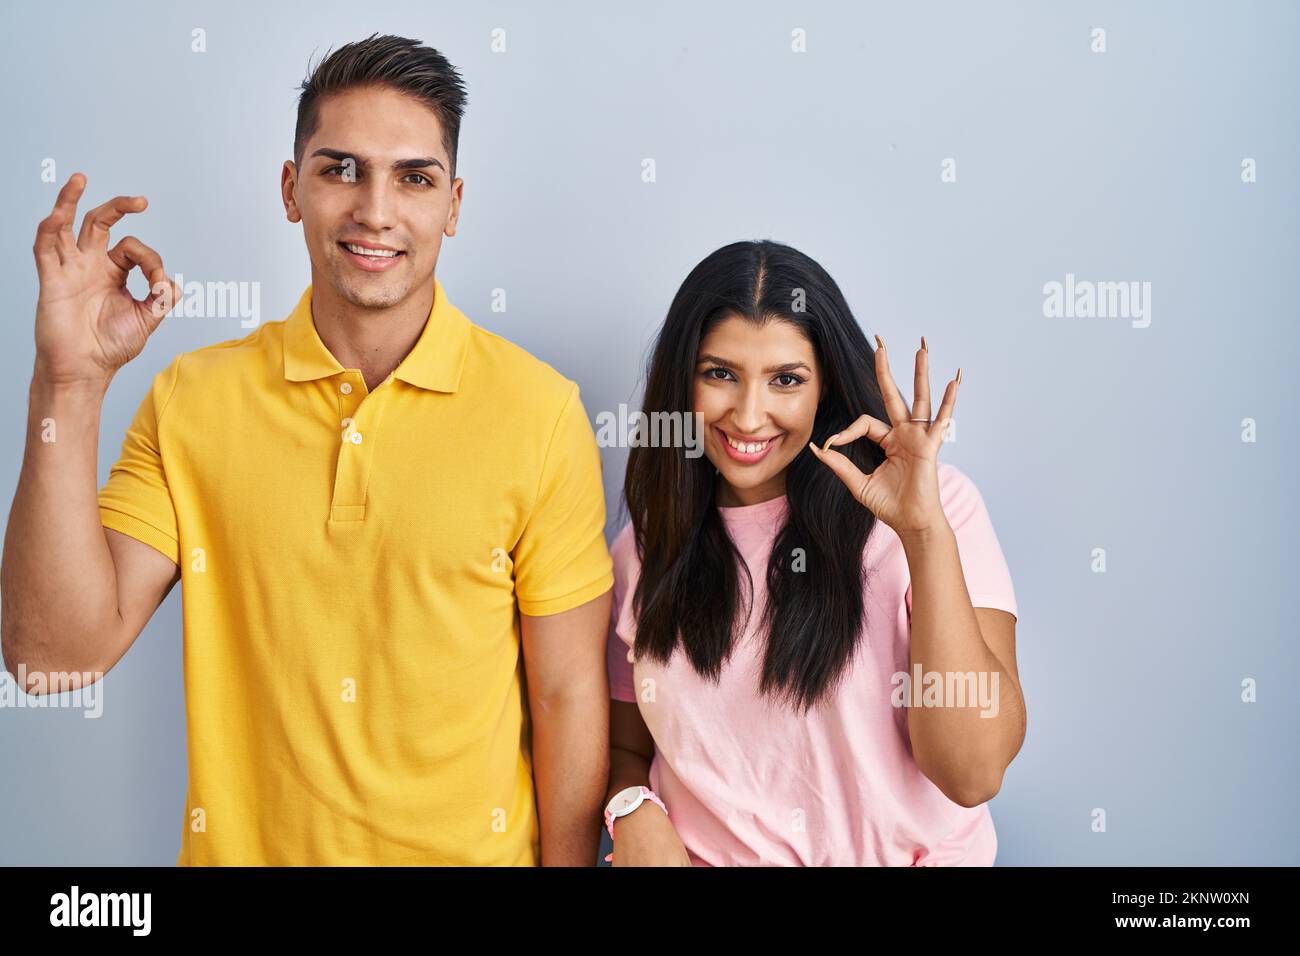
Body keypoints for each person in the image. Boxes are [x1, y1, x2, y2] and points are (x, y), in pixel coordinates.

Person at [1, 35, 614, 866]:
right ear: (292, 189)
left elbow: (568, 694)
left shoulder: (540, 414)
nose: (376, 210)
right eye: (340, 169)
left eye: (414, 177)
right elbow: (50, 662)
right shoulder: (193, 400)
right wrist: (67, 386)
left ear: (454, 204)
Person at [602, 240, 1025, 865]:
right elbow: (625, 750)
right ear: (681, 380)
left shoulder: (942, 511)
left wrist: (923, 535)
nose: (749, 416)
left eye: (786, 380)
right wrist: (631, 810)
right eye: (719, 373)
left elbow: (973, 773)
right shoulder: (643, 549)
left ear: (824, 387)